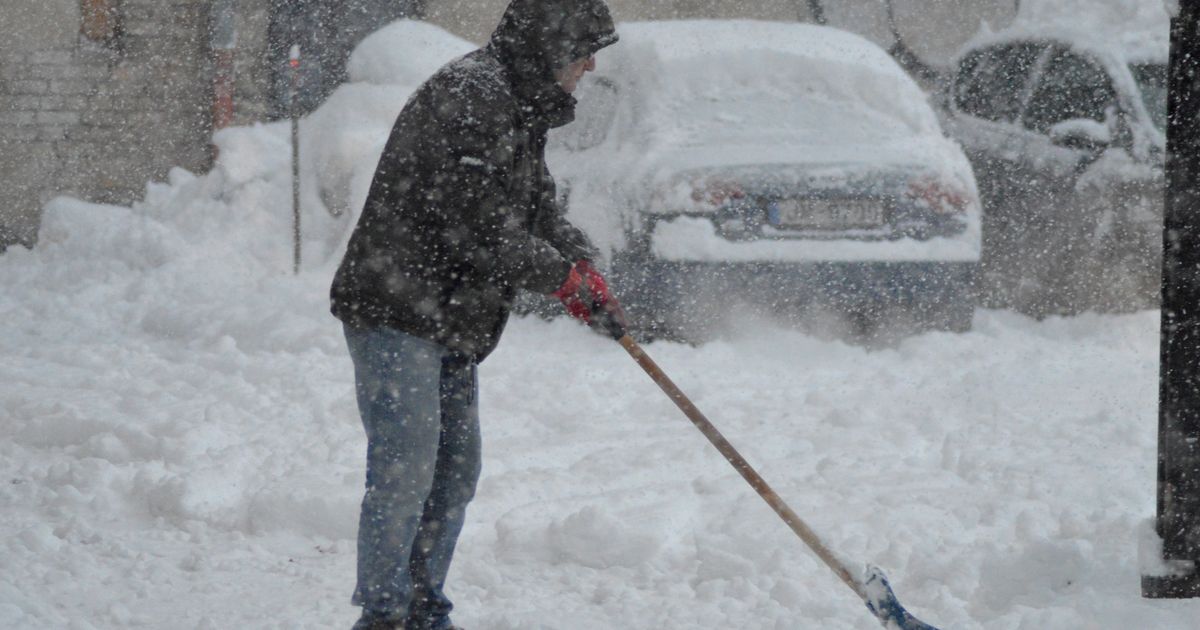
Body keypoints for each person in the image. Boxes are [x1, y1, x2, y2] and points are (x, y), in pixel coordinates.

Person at [329, 0, 624, 628]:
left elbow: (533, 206)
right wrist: (560, 279)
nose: (591, 63)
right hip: (398, 307)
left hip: (450, 318)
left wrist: (583, 265)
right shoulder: (472, 96)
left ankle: (422, 606)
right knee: (406, 470)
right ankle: (384, 614)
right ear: (550, 45)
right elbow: (481, 224)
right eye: (583, 48)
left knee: (454, 473)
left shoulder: (516, 101)